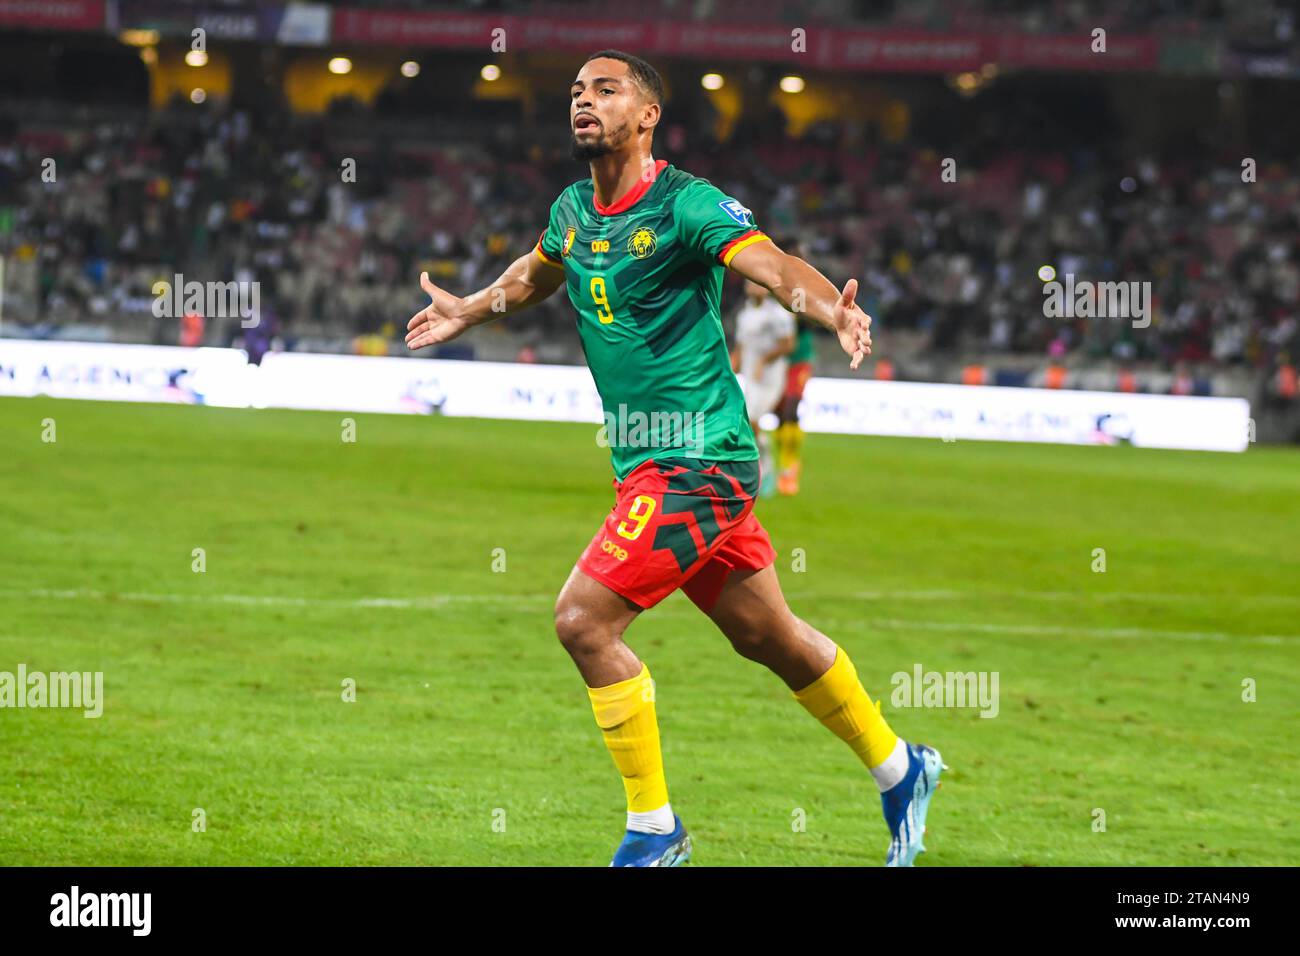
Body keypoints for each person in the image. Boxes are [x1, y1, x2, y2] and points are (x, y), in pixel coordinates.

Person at [405, 50, 943, 867]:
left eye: (606, 90)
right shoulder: (572, 211)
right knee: (772, 639)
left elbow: (769, 264)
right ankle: (902, 768)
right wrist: (470, 311)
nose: (584, 102)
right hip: (649, 466)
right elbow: (537, 273)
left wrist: (830, 306)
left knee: (583, 621)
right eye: (577, 91)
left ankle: (655, 831)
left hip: (697, 462)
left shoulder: (688, 205)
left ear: (647, 114)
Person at [731, 279, 794, 497]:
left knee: (752, 421)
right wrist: (730, 368)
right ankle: (761, 470)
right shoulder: (744, 315)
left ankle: (765, 470)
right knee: (748, 424)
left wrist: (764, 360)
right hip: (750, 379)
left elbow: (788, 344)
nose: (754, 288)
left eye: (758, 285)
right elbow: (740, 348)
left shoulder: (778, 314)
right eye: (750, 284)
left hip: (770, 379)